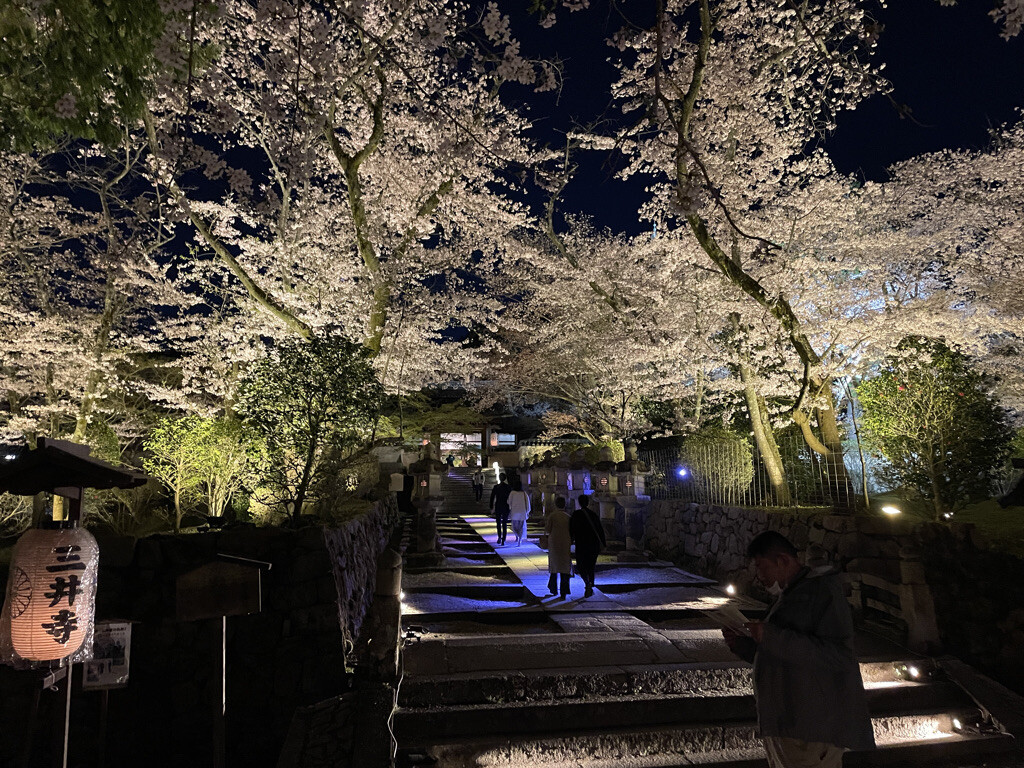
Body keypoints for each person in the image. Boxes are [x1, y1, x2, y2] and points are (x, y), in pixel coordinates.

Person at [722, 531, 875, 768]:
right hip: (787, 720)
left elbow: (839, 656)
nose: (759, 576)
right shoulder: (793, 592)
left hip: (810, 726)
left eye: (762, 567)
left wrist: (769, 636)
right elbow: (787, 652)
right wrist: (744, 645)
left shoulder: (823, 591)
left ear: (782, 560)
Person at [569, 494, 605, 598]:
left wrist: (570, 540)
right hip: (593, 544)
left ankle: (587, 582)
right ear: (588, 502)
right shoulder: (593, 514)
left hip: (582, 544)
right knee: (591, 564)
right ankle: (591, 582)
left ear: (579, 503)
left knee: (581, 565)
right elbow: (600, 529)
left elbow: (572, 529)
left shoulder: (576, 515)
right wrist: (604, 543)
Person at [545, 496, 573, 598]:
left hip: (554, 542)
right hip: (565, 542)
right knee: (564, 567)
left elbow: (548, 529)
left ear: (555, 504)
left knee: (554, 566)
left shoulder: (552, 516)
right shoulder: (568, 517)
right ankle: (564, 591)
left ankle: (553, 589)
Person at [489, 473, 512, 546]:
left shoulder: (496, 487)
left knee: (498, 522)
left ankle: (499, 537)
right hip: (505, 506)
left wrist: (491, 506)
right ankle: (503, 539)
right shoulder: (508, 487)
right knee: (504, 523)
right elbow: (510, 498)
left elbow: (492, 497)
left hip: (499, 505)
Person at [508, 479, 531, 546]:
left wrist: (510, 508)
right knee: (521, 527)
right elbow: (527, 503)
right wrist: (527, 511)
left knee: (515, 527)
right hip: (522, 513)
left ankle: (517, 537)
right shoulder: (524, 493)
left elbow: (509, 502)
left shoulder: (512, 493)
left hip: (514, 513)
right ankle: (520, 539)